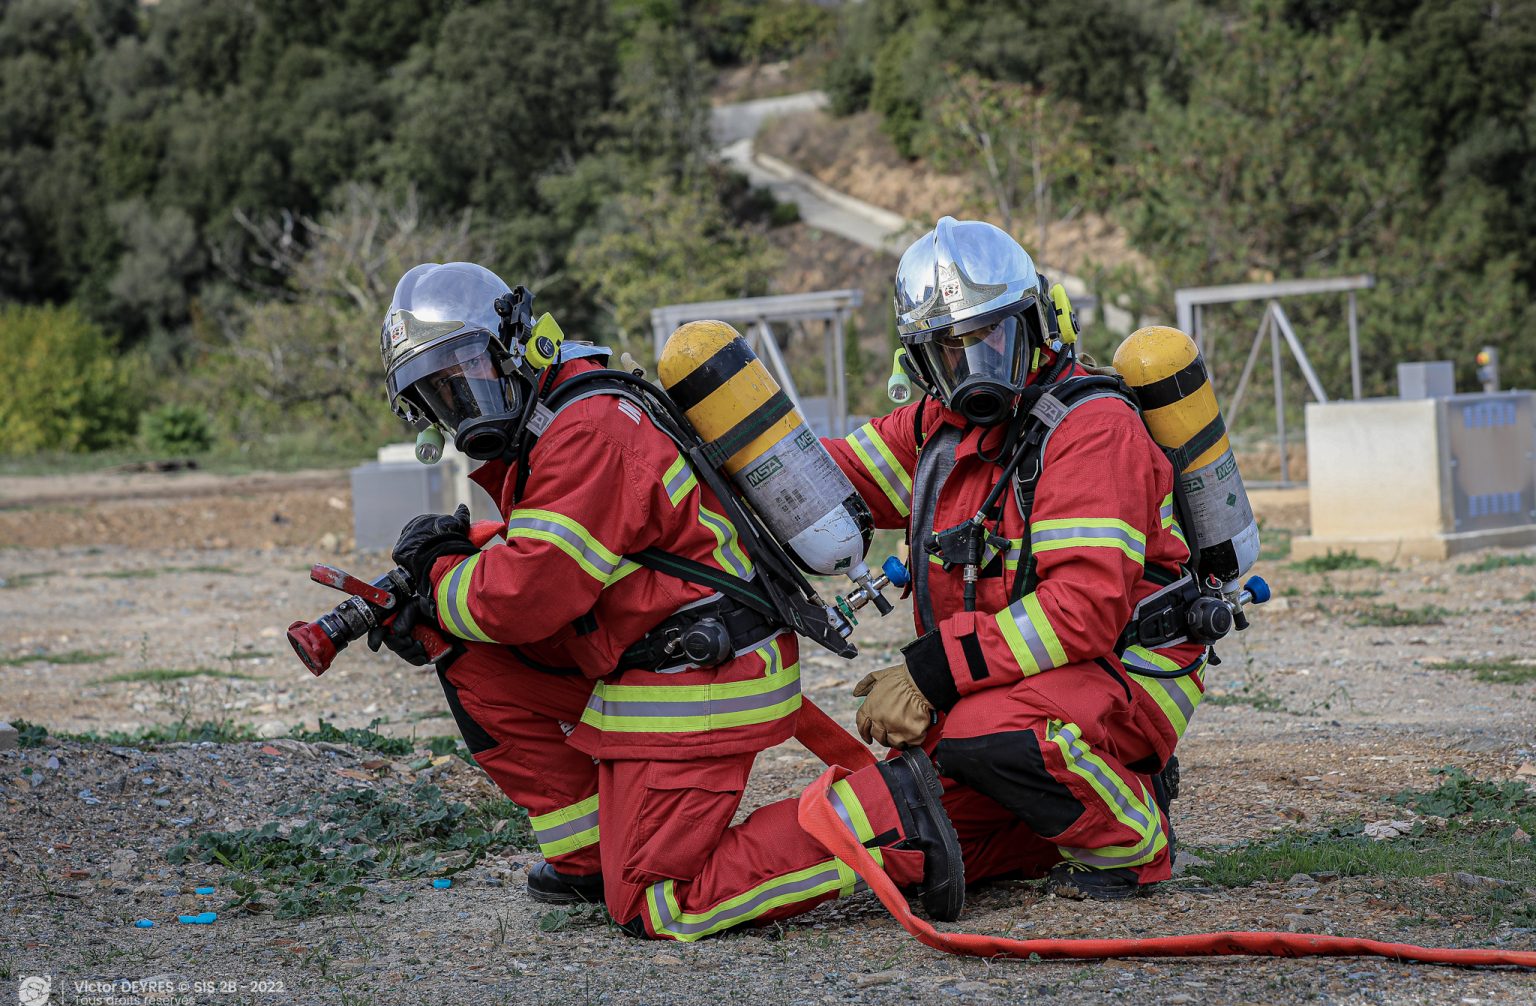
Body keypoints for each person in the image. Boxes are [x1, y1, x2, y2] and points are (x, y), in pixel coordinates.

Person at [372, 261, 965, 937]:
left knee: (658, 904)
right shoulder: (557, 415)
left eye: (467, 376)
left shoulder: (585, 428)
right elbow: (560, 551)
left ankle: (891, 816)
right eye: (442, 398)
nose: (467, 408)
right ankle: (588, 860)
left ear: (516, 345)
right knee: (461, 649)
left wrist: (441, 575)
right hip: (661, 655)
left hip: (702, 673)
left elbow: (525, 595)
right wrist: (443, 580)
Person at [825, 218, 1203, 900]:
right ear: (920, 364)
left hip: (1126, 670)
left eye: (990, 339)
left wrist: (932, 673)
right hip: (1021, 677)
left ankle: (1132, 839)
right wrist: (738, 463)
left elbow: (1082, 611)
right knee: (900, 833)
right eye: (950, 351)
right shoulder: (938, 429)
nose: (975, 371)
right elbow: (832, 479)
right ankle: (1071, 804)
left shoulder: (1094, 430)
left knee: (986, 733)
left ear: (1036, 323)